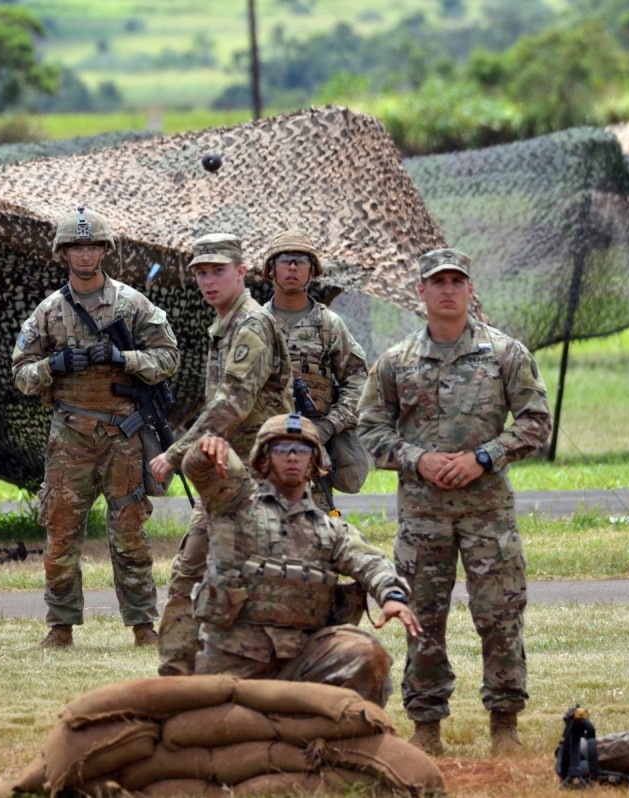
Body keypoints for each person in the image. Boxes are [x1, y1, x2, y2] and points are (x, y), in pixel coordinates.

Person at [357, 248, 552, 756]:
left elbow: (536, 423)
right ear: (420, 292)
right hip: (422, 516)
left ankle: (505, 722)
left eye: (455, 281)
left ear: (470, 290)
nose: (447, 289)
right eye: (436, 281)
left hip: (488, 512)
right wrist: (416, 459)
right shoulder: (396, 362)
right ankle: (426, 725)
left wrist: (484, 457)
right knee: (422, 617)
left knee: (500, 613)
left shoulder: (506, 354)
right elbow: (370, 427)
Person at [12, 206, 180, 649]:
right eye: (75, 247)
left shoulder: (131, 304)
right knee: (61, 532)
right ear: (63, 252)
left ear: (104, 250)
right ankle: (61, 625)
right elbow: (21, 374)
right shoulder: (49, 311)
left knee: (130, 534)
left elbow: (168, 358)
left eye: (92, 246)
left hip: (122, 434)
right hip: (69, 436)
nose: (84, 254)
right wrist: (55, 365)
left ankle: (144, 624)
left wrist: (124, 359)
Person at [182, 413, 421, 706]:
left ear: (315, 460)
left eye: (303, 449)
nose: (293, 456)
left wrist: (392, 595)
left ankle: (342, 735)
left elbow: (370, 561)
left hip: (302, 662)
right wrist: (204, 448)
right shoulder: (233, 506)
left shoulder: (329, 530)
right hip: (233, 659)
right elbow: (199, 470)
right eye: (282, 449)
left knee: (367, 654)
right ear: (264, 458)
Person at [150, 232, 292, 676]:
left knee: (261, 580)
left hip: (260, 477)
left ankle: (271, 670)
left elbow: (233, 402)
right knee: (187, 572)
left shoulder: (251, 324)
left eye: (218, 272)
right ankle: (176, 673)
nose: (209, 281)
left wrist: (174, 454)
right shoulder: (225, 325)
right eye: (202, 273)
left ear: (242, 272)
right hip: (225, 472)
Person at [260, 229, 369, 504]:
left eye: (301, 260)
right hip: (261, 449)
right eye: (285, 259)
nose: (293, 266)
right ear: (272, 269)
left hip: (313, 452)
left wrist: (328, 427)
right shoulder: (254, 324)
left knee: (315, 532)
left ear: (312, 271)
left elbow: (358, 381)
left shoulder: (330, 325)